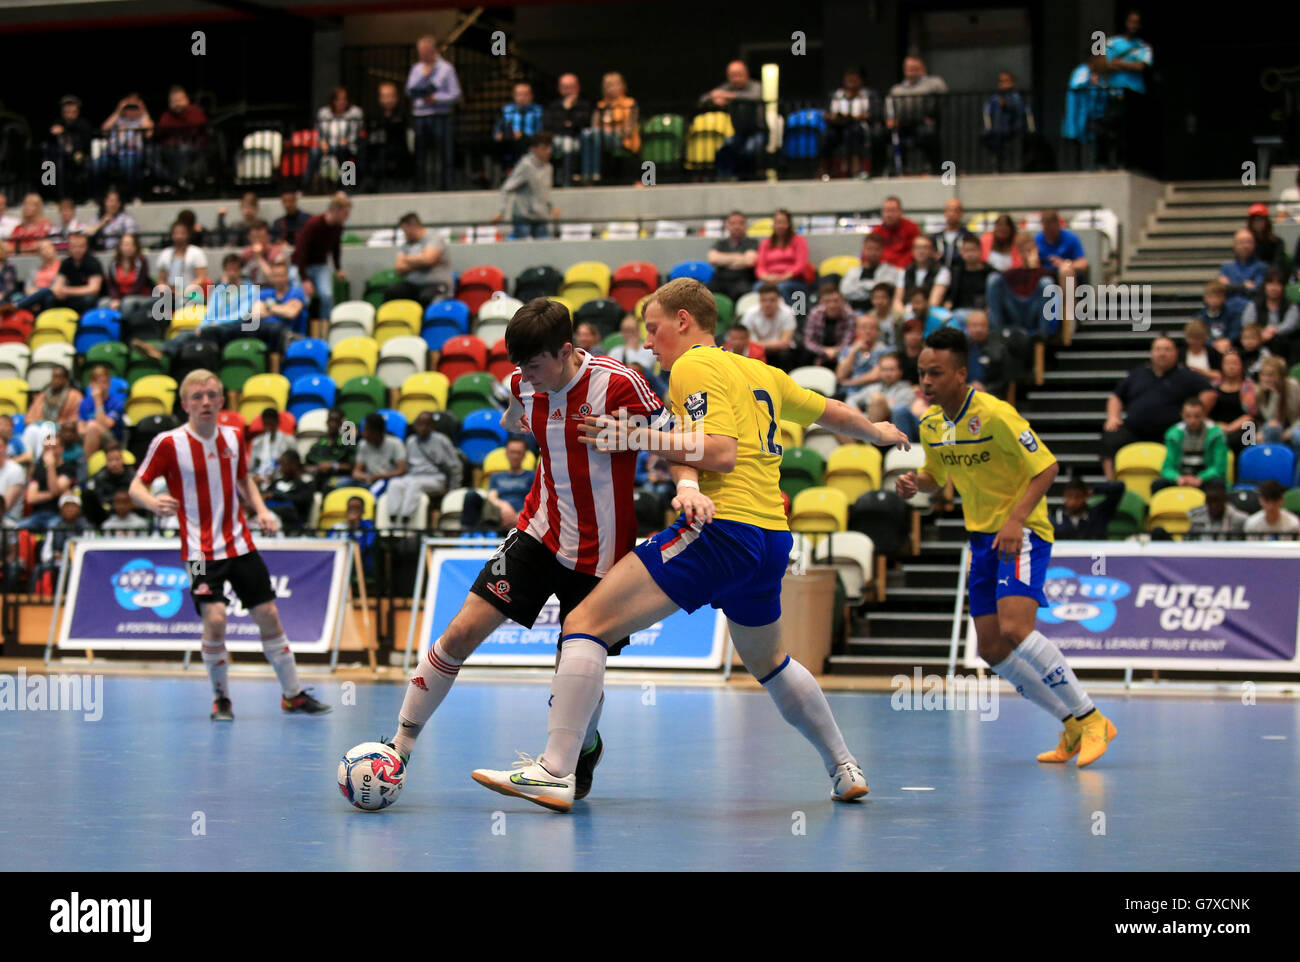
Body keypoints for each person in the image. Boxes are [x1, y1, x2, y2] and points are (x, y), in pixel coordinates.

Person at [468, 278, 910, 811]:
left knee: (584, 622)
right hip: (771, 540)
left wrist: (632, 436)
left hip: (723, 531)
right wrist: (877, 433)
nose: (649, 343)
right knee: (770, 662)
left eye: (653, 329)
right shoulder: (757, 370)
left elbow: (720, 453)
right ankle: (844, 767)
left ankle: (555, 770)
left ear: (684, 320)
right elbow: (828, 411)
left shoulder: (692, 366)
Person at [381, 298, 681, 808]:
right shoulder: (524, 382)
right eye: (519, 368)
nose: (527, 377)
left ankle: (576, 752)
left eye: (536, 366)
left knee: (574, 670)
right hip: (538, 531)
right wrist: (520, 408)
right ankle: (398, 749)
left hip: (603, 553)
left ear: (566, 351)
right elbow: (517, 412)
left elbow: (681, 444)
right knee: (460, 631)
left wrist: (633, 437)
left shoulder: (621, 383)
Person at [897, 326, 1115, 766]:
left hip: (1023, 532)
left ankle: (1093, 719)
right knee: (992, 649)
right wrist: (913, 482)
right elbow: (937, 477)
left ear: (961, 373)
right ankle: (1070, 724)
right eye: (922, 373)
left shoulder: (996, 415)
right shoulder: (931, 424)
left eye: (935, 373)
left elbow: (1047, 467)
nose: (926, 382)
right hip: (981, 539)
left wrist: (1016, 519)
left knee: (1017, 628)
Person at [129, 368, 331, 720]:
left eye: (212, 395)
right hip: (198, 551)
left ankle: (293, 694)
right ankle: (221, 699)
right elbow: (136, 486)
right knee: (216, 618)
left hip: (240, 543)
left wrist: (263, 509)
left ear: (222, 400)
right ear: (185, 405)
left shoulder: (235, 437)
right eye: (197, 397)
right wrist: (152, 503)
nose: (205, 402)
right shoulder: (168, 443)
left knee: (268, 615)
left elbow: (244, 480)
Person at [1101, 336, 1217, 478]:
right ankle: (1111, 484)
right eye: (1158, 349)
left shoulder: (1186, 375)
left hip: (1171, 432)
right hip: (1135, 430)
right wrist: (1113, 417)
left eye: (1167, 349)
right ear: (1152, 352)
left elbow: (1210, 393)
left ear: (1175, 352)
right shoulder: (1138, 373)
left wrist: (1194, 416)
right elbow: (1116, 397)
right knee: (1111, 437)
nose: (1162, 353)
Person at [386, 410, 462, 527]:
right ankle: (393, 518)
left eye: (427, 424)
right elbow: (408, 466)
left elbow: (455, 466)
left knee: (415, 485)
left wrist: (452, 488)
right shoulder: (411, 441)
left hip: (435, 478)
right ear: (415, 426)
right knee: (394, 483)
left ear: (433, 426)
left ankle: (406, 520)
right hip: (413, 477)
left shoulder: (441, 440)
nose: (423, 428)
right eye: (420, 424)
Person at [700, 61, 766, 181]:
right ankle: (724, 181)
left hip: (757, 131)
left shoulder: (755, 86)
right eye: (733, 75)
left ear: (746, 74)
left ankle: (748, 180)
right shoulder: (728, 88)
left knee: (749, 151)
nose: (736, 79)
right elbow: (704, 98)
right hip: (738, 134)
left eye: (739, 74)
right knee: (723, 151)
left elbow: (756, 96)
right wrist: (714, 100)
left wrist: (728, 96)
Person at [292, 191, 351, 322]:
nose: (347, 216)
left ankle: (326, 325)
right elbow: (301, 250)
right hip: (301, 265)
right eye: (345, 213)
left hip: (320, 265)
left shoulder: (338, 227)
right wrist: (304, 278)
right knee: (302, 298)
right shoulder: (313, 224)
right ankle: (302, 327)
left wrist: (338, 269)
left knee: (327, 295)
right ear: (336, 210)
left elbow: (335, 248)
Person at [1150, 397, 1228, 494]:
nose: (1192, 420)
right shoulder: (1173, 434)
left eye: (1197, 416)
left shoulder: (1216, 434)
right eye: (1188, 416)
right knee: (1158, 484)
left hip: (1204, 478)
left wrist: (1200, 478)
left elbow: (1219, 468)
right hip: (1181, 478)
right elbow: (1167, 468)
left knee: (1219, 483)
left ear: (1204, 415)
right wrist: (1177, 478)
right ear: (1182, 415)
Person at [885, 57, 947, 175]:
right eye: (909, 69)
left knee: (928, 132)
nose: (911, 72)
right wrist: (891, 119)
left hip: (923, 123)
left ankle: (933, 168)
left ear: (922, 69)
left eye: (915, 69)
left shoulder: (932, 83)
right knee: (883, 134)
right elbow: (889, 106)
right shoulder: (897, 89)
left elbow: (942, 95)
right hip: (902, 125)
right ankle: (897, 169)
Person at [461, 434, 534, 532]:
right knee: (471, 496)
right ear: (506, 453)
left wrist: (520, 515)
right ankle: (468, 536)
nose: (515, 456)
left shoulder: (532, 476)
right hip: (498, 515)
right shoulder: (497, 476)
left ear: (524, 454)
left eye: (518, 453)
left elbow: (535, 499)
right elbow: (492, 496)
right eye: (512, 452)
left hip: (524, 516)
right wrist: (504, 506)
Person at [494, 132, 557, 240]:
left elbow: (545, 192)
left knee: (545, 251)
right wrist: (501, 211)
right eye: (544, 148)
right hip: (523, 219)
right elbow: (506, 188)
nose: (548, 151)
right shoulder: (525, 165)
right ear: (534, 149)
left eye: (549, 148)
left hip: (541, 218)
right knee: (524, 252)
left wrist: (552, 207)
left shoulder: (548, 168)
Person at [581, 72, 639, 185]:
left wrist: (611, 130)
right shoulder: (601, 106)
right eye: (609, 86)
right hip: (600, 137)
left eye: (615, 85)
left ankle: (596, 171)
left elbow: (628, 129)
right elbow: (594, 125)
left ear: (622, 86)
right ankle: (586, 172)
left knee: (597, 134)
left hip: (621, 140)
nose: (612, 88)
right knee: (585, 134)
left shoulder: (630, 104)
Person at [384, 212, 453, 305]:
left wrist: (406, 259)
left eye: (405, 230)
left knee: (425, 297)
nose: (405, 234)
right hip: (413, 284)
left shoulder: (434, 237)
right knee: (393, 292)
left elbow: (428, 260)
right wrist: (421, 260)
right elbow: (399, 269)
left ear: (414, 227)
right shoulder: (407, 244)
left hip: (436, 284)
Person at [823, 67, 880, 179]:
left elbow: (875, 113)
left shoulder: (869, 95)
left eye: (854, 80)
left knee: (854, 131)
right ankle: (826, 169)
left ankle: (856, 167)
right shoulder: (836, 95)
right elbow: (826, 114)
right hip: (838, 127)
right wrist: (834, 117)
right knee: (827, 135)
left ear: (860, 81)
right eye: (849, 80)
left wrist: (859, 117)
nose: (851, 83)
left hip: (861, 126)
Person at [305, 87, 364, 192]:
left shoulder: (355, 112)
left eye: (344, 99)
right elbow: (319, 132)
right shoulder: (324, 113)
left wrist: (348, 140)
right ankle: (307, 186)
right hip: (328, 146)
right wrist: (322, 142)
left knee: (342, 149)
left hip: (348, 145)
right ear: (333, 101)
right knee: (314, 152)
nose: (341, 102)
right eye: (338, 99)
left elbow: (355, 132)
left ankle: (346, 184)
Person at [96, 93, 152, 200]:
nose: (131, 110)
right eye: (128, 107)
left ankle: (131, 195)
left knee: (128, 164)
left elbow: (149, 132)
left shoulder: (142, 120)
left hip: (132, 153)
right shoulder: (118, 119)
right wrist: (118, 110)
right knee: (96, 165)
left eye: (134, 107)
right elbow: (104, 128)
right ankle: (98, 196)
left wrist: (143, 110)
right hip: (112, 152)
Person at [19, 430, 77, 531]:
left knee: (54, 527)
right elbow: (31, 498)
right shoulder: (39, 469)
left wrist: (50, 466)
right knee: (18, 527)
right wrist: (56, 494)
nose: (50, 452)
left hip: (57, 514)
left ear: (62, 448)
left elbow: (54, 489)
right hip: (37, 514)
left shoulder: (68, 468)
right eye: (47, 449)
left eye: (54, 448)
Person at [154, 85, 208, 192]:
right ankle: (176, 181)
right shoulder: (167, 115)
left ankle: (181, 181)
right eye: (174, 101)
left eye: (179, 100)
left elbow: (199, 124)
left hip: (193, 146)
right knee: (152, 152)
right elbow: (160, 130)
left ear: (186, 100)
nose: (177, 103)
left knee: (183, 150)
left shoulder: (195, 111)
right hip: (170, 148)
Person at [753, 208, 812, 304]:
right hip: (770, 279)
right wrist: (768, 277)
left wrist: (782, 277)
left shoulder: (799, 241)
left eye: (783, 222)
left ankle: (792, 315)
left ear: (789, 224)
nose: (780, 226)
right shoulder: (766, 243)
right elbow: (760, 267)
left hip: (793, 279)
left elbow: (800, 265)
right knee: (757, 287)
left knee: (781, 288)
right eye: (777, 222)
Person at [981, 71, 1034, 172]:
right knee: (998, 154)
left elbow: (1022, 111)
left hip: (1015, 131)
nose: (1003, 84)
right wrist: (988, 129)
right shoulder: (994, 99)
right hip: (998, 131)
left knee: (1015, 154)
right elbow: (988, 113)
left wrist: (1007, 105)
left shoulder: (1017, 98)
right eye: (1001, 81)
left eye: (1006, 81)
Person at [44, 94, 94, 201]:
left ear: (77, 111)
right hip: (57, 157)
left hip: (79, 156)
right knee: (47, 166)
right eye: (67, 111)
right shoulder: (57, 122)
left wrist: (65, 131)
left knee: (68, 163)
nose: (69, 114)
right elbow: (49, 142)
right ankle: (50, 197)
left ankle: (69, 197)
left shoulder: (83, 124)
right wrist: (52, 133)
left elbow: (84, 144)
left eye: (72, 111)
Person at [543, 73, 589, 187]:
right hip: (556, 139)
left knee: (568, 143)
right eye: (565, 87)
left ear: (577, 87)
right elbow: (549, 125)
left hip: (579, 140)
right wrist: (566, 114)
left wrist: (569, 113)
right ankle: (555, 180)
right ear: (559, 89)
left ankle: (567, 181)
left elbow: (584, 124)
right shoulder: (554, 106)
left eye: (571, 87)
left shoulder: (583, 105)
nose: (568, 90)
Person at [740, 281, 799, 370]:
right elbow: (747, 342)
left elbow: (785, 343)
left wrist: (759, 344)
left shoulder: (788, 313)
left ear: (779, 300)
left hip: (780, 353)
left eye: (772, 300)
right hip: (758, 352)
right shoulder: (750, 314)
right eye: (764, 300)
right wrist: (774, 344)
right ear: (759, 301)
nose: (767, 304)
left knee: (786, 355)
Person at [1207, 350, 1257, 454]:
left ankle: (1246, 465)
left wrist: (1231, 428)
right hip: (1218, 426)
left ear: (1241, 366)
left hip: (1242, 426)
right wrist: (1218, 426)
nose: (1231, 367)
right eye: (1228, 363)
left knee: (1249, 430)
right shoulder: (1213, 386)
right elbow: (1205, 413)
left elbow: (1252, 414)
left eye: (1235, 363)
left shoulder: (1249, 386)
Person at [1052, 473, 1125, 540]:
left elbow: (1119, 487)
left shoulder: (1098, 514)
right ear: (1064, 496)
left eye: (1078, 496)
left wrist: (1094, 490)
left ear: (1086, 496)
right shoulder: (1055, 518)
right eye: (1069, 496)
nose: (1073, 501)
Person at [839, 233, 901, 311]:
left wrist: (859, 286)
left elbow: (883, 293)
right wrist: (871, 289)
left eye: (876, 249)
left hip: (880, 313)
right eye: (869, 249)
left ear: (882, 250)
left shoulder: (891, 271)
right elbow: (845, 291)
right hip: (854, 312)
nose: (873, 253)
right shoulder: (853, 271)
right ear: (863, 249)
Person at [707, 211, 760, 301]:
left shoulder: (752, 243)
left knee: (743, 291)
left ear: (745, 226)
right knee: (705, 291)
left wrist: (723, 259)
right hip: (720, 279)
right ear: (727, 226)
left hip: (743, 280)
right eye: (733, 223)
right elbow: (713, 259)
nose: (736, 226)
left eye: (740, 223)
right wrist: (740, 258)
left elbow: (750, 261)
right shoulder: (721, 243)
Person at [492, 81, 544, 173]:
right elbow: (499, 127)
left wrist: (524, 135)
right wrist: (499, 133)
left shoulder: (538, 111)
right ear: (514, 96)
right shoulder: (507, 110)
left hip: (530, 141)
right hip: (510, 141)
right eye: (519, 94)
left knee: (523, 142)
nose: (522, 98)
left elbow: (540, 131)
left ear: (531, 95)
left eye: (525, 94)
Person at [366, 81, 411, 187]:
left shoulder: (402, 113)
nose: (388, 100)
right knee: (353, 158)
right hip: (374, 148)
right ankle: (349, 183)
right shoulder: (374, 113)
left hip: (396, 148)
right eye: (385, 96)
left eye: (391, 96)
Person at [803, 282, 857, 369]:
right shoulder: (815, 314)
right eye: (827, 301)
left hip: (840, 353)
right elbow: (808, 341)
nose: (832, 305)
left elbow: (848, 342)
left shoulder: (850, 315)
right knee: (805, 353)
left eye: (836, 301)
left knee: (848, 354)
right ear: (821, 302)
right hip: (819, 350)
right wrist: (824, 351)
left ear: (842, 300)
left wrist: (834, 351)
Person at [352, 412, 407, 498]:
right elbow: (356, 472)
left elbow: (402, 471)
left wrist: (382, 476)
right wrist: (366, 477)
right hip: (368, 480)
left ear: (376, 432)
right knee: (342, 483)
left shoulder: (396, 443)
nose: (363, 434)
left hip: (389, 480)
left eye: (366, 430)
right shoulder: (363, 444)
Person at [153, 219, 209, 304]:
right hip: (170, 292)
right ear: (172, 235)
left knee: (185, 301)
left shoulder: (197, 252)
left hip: (191, 292)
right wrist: (163, 288)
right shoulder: (165, 254)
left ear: (188, 235)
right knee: (154, 303)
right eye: (176, 233)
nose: (179, 236)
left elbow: (201, 278)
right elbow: (161, 279)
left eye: (182, 233)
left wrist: (184, 291)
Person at [945, 235, 994, 328]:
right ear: (961, 252)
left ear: (980, 251)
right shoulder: (955, 272)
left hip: (984, 312)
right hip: (960, 311)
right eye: (966, 250)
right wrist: (947, 302)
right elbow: (949, 294)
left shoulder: (991, 273)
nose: (970, 254)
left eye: (973, 250)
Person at [261, 449, 314, 534]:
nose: (280, 468)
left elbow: (304, 500)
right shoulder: (277, 482)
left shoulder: (305, 481)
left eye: (283, 464)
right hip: (273, 516)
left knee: (287, 509)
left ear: (294, 464)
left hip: (294, 521)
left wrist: (277, 495)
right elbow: (267, 494)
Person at [77, 364, 125, 458]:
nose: (101, 386)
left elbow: (106, 425)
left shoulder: (117, 403)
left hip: (111, 440)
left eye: (104, 382)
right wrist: (90, 433)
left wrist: (98, 401)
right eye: (97, 382)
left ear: (109, 384)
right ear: (91, 384)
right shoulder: (85, 403)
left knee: (92, 425)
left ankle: (87, 466)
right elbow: (80, 429)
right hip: (88, 437)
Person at [894, 234, 949, 315]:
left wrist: (913, 314)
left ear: (932, 251)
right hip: (906, 312)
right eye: (918, 247)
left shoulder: (942, 271)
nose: (921, 251)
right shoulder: (904, 271)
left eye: (925, 247)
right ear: (912, 250)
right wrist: (903, 314)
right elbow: (897, 300)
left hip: (930, 313)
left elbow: (934, 302)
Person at [81, 443, 134, 527]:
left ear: (122, 460)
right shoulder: (99, 477)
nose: (114, 464)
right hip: (106, 512)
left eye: (117, 459)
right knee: (87, 494)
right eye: (110, 460)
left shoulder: (133, 477)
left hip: (130, 511)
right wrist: (114, 503)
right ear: (106, 461)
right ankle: (94, 529)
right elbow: (98, 498)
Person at [50, 231, 102, 314]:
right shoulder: (66, 262)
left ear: (86, 247)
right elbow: (57, 285)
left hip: (86, 296)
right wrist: (59, 291)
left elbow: (94, 289)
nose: (77, 250)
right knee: (50, 296)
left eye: (80, 247)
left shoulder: (93, 262)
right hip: (70, 296)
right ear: (69, 248)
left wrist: (67, 290)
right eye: (74, 247)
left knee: (88, 299)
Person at [1217, 229, 1267, 316]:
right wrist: (1244, 286)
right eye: (1241, 242)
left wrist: (1232, 287)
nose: (1245, 246)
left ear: (1254, 245)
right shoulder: (1227, 267)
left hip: (1252, 312)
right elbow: (1221, 288)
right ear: (1234, 245)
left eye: (1249, 242)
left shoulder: (1262, 267)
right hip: (1227, 313)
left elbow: (1256, 290)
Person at [304, 408, 356, 491]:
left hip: (338, 477)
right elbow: (306, 466)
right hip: (318, 476)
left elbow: (351, 466)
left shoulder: (347, 442)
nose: (333, 424)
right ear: (327, 422)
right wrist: (318, 468)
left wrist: (333, 465)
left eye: (336, 421)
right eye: (331, 421)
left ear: (341, 424)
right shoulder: (318, 443)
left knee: (330, 485)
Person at [836, 314, 887, 395]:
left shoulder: (884, 351)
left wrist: (849, 382)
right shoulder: (848, 350)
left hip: (873, 391)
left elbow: (874, 376)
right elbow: (840, 375)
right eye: (863, 328)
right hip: (847, 393)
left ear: (878, 331)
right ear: (857, 331)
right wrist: (853, 352)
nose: (867, 331)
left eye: (872, 328)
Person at [1035, 209, 1089, 285]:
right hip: (1045, 276)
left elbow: (1083, 264)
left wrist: (1064, 263)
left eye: (1052, 228)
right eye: (1046, 228)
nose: (1049, 232)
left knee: (1065, 271)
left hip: (1066, 275)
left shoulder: (1070, 238)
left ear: (1058, 225)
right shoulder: (1037, 240)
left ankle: (1069, 297)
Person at [329, 496, 377, 576]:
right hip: (338, 564)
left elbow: (365, 547)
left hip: (361, 566)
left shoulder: (368, 526)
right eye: (351, 507)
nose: (353, 510)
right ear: (347, 510)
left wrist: (352, 528)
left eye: (357, 507)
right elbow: (330, 546)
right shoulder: (337, 527)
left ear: (363, 510)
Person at [871, 196, 920, 269]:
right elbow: (869, 253)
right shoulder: (877, 231)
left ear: (900, 212)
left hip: (906, 269)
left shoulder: (911, 228)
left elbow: (915, 251)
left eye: (893, 211)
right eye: (886, 211)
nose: (889, 215)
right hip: (881, 270)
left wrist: (900, 267)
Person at [250, 408, 294, 485]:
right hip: (260, 480)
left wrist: (277, 476)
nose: (269, 427)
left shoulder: (289, 441)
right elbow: (251, 466)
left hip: (281, 480)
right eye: (266, 424)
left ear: (277, 422)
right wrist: (255, 476)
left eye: (271, 424)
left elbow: (294, 466)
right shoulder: (257, 442)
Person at [931, 198, 975, 272]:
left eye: (956, 211)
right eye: (949, 210)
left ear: (961, 213)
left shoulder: (968, 237)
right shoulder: (935, 238)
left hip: (962, 274)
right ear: (944, 213)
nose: (952, 214)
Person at [1198, 280, 1242, 354]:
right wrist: (1212, 343)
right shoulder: (1200, 317)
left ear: (1224, 298)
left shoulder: (1232, 314)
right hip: (1208, 349)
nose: (1214, 300)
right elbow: (1200, 335)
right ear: (1205, 298)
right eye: (1211, 297)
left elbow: (1236, 331)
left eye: (1218, 297)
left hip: (1228, 347)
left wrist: (1228, 340)